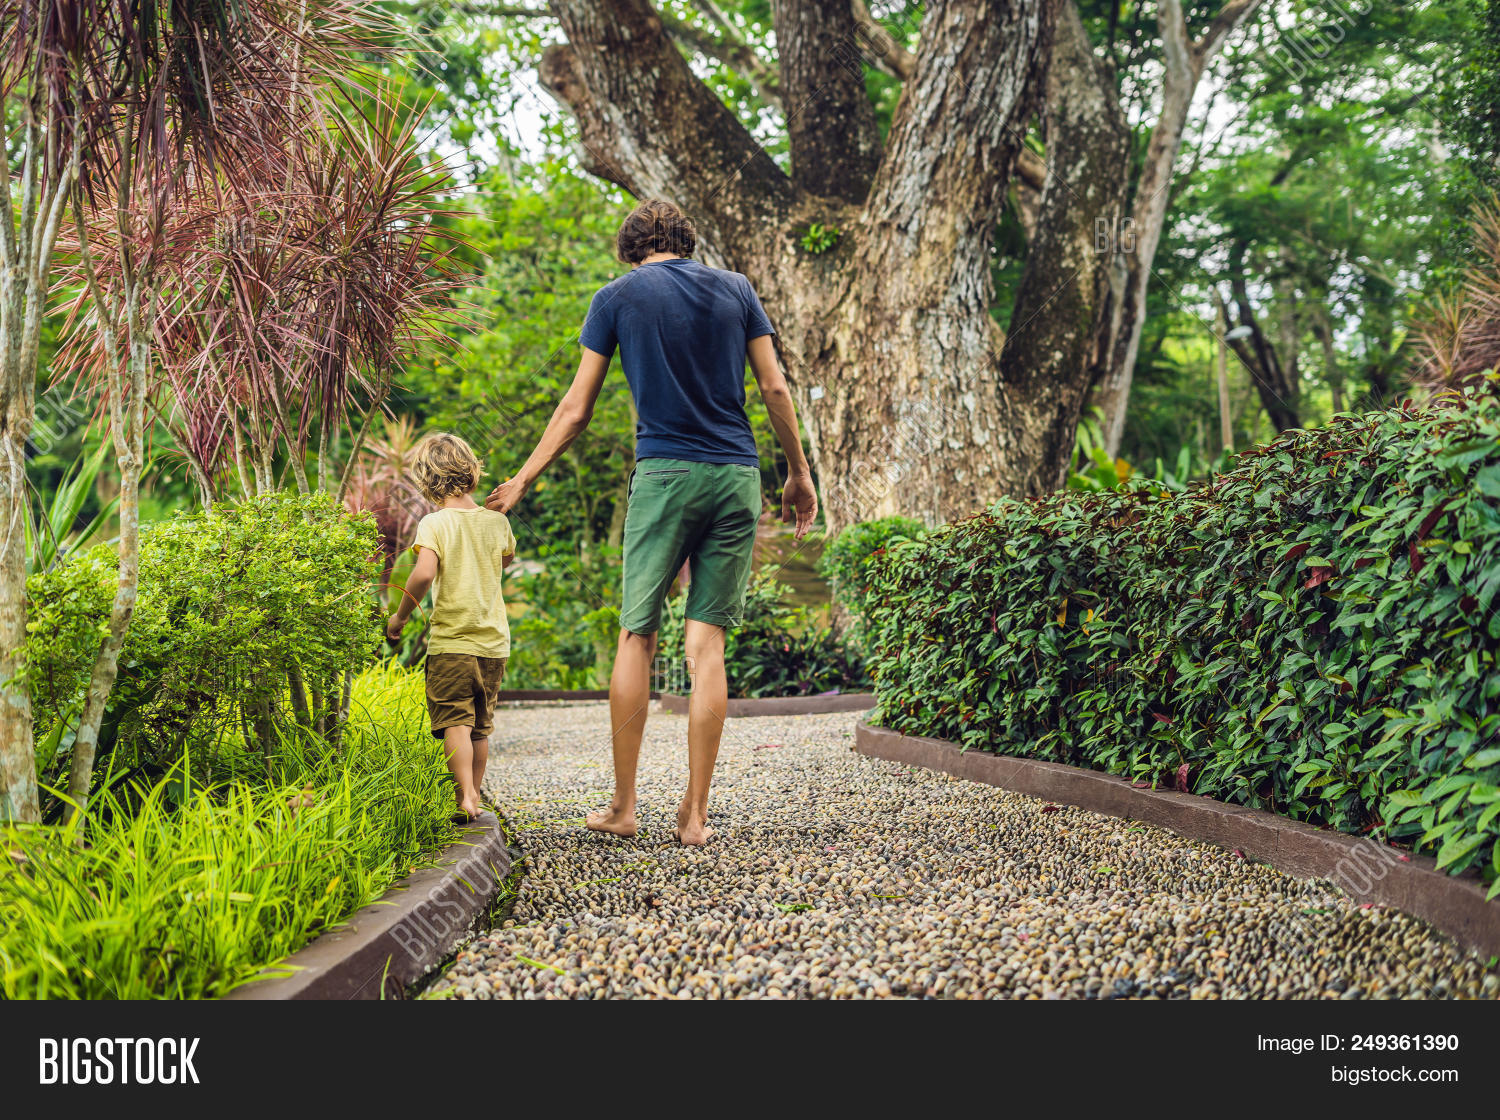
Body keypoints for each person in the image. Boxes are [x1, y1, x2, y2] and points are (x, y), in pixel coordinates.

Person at [486, 198, 817, 845]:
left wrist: (524, 477)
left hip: (664, 475)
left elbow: (576, 408)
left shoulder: (616, 297)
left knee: (637, 634)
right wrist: (798, 474)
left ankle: (624, 806)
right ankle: (694, 817)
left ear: (631, 247)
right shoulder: (738, 290)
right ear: (686, 242)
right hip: (735, 475)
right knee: (708, 646)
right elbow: (775, 389)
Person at [388, 432, 517, 821]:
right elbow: (504, 562)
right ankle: (475, 793)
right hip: (493, 645)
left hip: (452, 643)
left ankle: (465, 796)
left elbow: (424, 573)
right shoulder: (497, 523)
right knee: (480, 726)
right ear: (474, 474)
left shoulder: (434, 524)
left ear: (426, 481)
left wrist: (400, 616)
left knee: (454, 721)